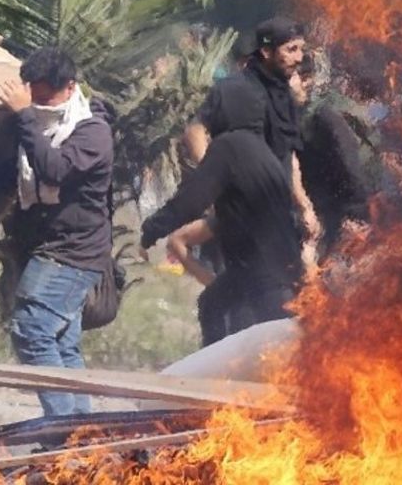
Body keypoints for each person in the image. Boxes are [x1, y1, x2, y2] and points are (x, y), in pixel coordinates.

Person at [0, 47, 114, 416]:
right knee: (62, 344)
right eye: (34, 95)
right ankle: (81, 434)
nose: (38, 104)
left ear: (70, 87)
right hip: (53, 248)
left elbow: (55, 170)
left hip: (73, 254)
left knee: (31, 330)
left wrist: (25, 118)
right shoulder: (39, 124)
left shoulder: (92, 132)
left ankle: (61, 430)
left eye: (46, 97)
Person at [140, 90, 302, 345]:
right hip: (254, 277)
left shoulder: (235, 150)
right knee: (213, 305)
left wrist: (151, 231)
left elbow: (189, 206)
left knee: (264, 341)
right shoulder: (253, 151)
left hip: (269, 281)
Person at [194, 18, 321, 257]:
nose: (299, 57)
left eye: (301, 49)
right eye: (291, 50)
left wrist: (305, 207)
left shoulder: (285, 95)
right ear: (266, 51)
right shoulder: (234, 89)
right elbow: (195, 132)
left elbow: (288, 154)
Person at [291, 54, 372, 258]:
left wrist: (357, 213)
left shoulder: (325, 115)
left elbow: (350, 162)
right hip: (319, 210)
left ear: (306, 79)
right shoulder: (289, 115)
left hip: (347, 211)